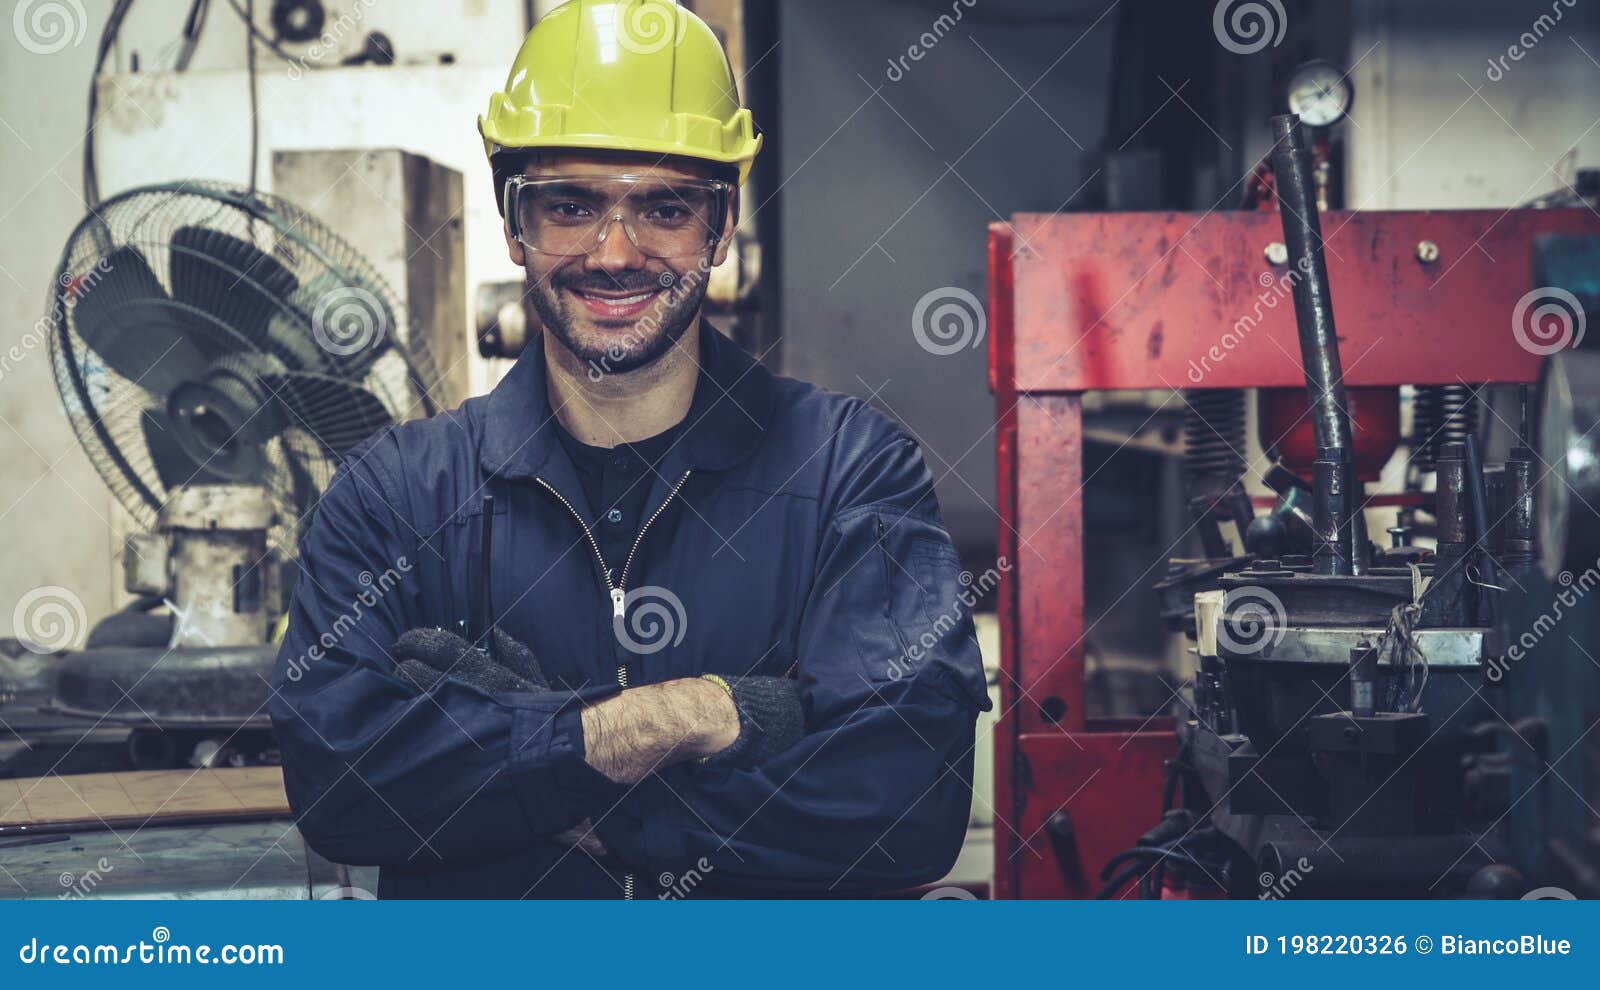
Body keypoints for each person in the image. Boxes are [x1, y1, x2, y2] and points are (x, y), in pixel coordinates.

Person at [271, 0, 990, 899]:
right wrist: (675, 718)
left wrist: (556, 782)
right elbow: (339, 784)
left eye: (665, 207)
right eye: (571, 205)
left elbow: (906, 803)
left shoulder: (849, 472)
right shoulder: (400, 496)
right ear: (514, 221)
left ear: (721, 225)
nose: (615, 252)